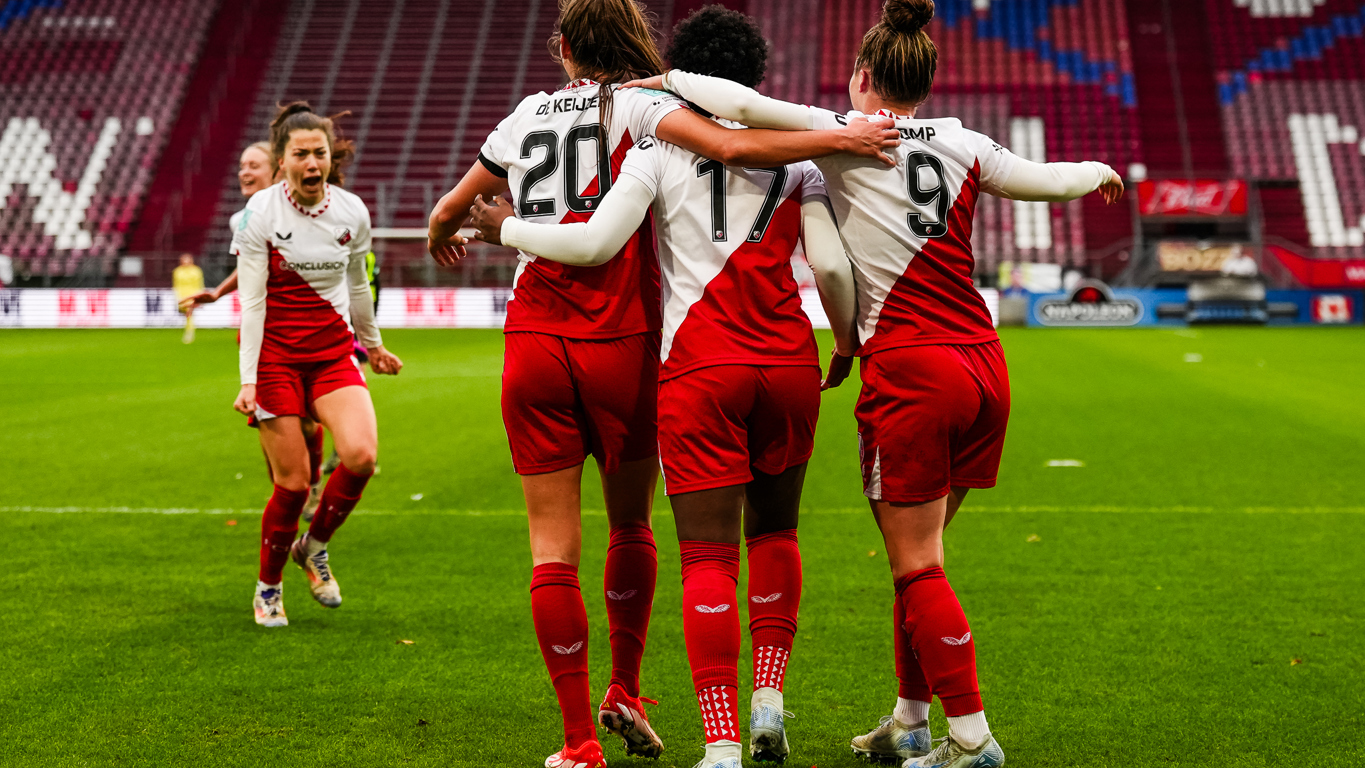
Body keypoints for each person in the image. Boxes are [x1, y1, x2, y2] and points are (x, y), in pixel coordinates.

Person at [625, 1, 1125, 766]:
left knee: (916, 564)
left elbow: (740, 107)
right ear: (925, 79)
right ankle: (908, 720)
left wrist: (659, 78)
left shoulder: (835, 136)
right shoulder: (962, 142)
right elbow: (1049, 182)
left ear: (862, 75)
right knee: (924, 559)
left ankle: (970, 737)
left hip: (911, 368)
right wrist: (1098, 172)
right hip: (984, 365)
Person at [426, 2, 898, 767]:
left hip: (545, 341)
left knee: (556, 551)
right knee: (645, 528)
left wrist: (463, 230)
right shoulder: (648, 111)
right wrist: (843, 136)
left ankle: (584, 738)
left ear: (569, 47)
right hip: (642, 345)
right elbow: (734, 144)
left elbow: (458, 211)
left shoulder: (531, 113)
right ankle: (637, 687)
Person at [232, 102, 403, 628]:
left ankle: (314, 546)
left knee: (361, 455)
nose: (312, 162)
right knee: (292, 483)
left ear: (332, 157)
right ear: (282, 161)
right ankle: (268, 587)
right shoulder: (259, 214)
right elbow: (253, 301)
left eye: (319, 153)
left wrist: (372, 346)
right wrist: (247, 378)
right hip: (276, 360)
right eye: (300, 153)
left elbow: (357, 285)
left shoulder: (352, 212)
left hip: (331, 355)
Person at [182, 141, 331, 522]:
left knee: (308, 419)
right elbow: (251, 267)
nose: (244, 173)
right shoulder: (243, 219)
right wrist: (218, 291)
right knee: (276, 427)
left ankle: (310, 484)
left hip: (304, 329)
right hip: (264, 335)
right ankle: (291, 492)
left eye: (254, 165)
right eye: (241, 167)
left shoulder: (307, 212)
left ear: (277, 170)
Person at [171, 253, 204, 343]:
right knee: (186, 313)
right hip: (182, 295)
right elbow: (176, 285)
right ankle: (189, 329)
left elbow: (200, 284)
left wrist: (200, 296)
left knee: (189, 312)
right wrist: (176, 295)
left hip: (192, 295)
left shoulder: (196, 271)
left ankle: (189, 332)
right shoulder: (177, 271)